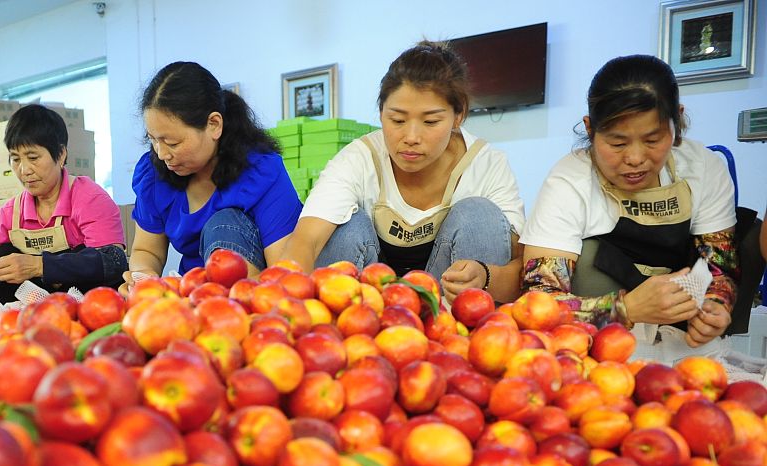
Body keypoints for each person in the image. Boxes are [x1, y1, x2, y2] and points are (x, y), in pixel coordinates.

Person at [281, 42, 525, 303]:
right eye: (397, 120)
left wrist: (486, 276)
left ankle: (471, 337)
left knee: (480, 214)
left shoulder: (486, 164)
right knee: (344, 226)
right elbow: (306, 240)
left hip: (450, 318)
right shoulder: (360, 158)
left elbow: (522, 271)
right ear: (381, 112)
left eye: (430, 122)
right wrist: (283, 303)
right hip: (367, 313)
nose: (411, 137)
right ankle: (332, 333)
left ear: (458, 116)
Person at [521, 54, 739, 346]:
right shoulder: (569, 181)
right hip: (598, 338)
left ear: (677, 124)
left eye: (652, 140)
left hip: (678, 333)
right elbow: (538, 301)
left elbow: (718, 265)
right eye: (617, 143)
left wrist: (715, 305)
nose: (635, 159)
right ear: (590, 129)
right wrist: (626, 309)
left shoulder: (704, 168)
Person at [126, 61, 302, 282]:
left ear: (214, 124)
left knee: (224, 224)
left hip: (251, 294)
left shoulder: (262, 172)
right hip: (194, 295)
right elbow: (147, 251)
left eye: (172, 142)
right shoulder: (154, 174)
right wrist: (143, 275)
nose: (161, 154)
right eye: (153, 139)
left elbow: (284, 271)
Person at [0, 104, 127, 304]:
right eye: (15, 159)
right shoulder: (9, 214)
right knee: (1, 255)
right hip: (30, 317)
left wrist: (40, 266)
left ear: (60, 154)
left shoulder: (90, 198)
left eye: (33, 158)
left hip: (90, 310)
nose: (24, 170)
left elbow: (113, 262)